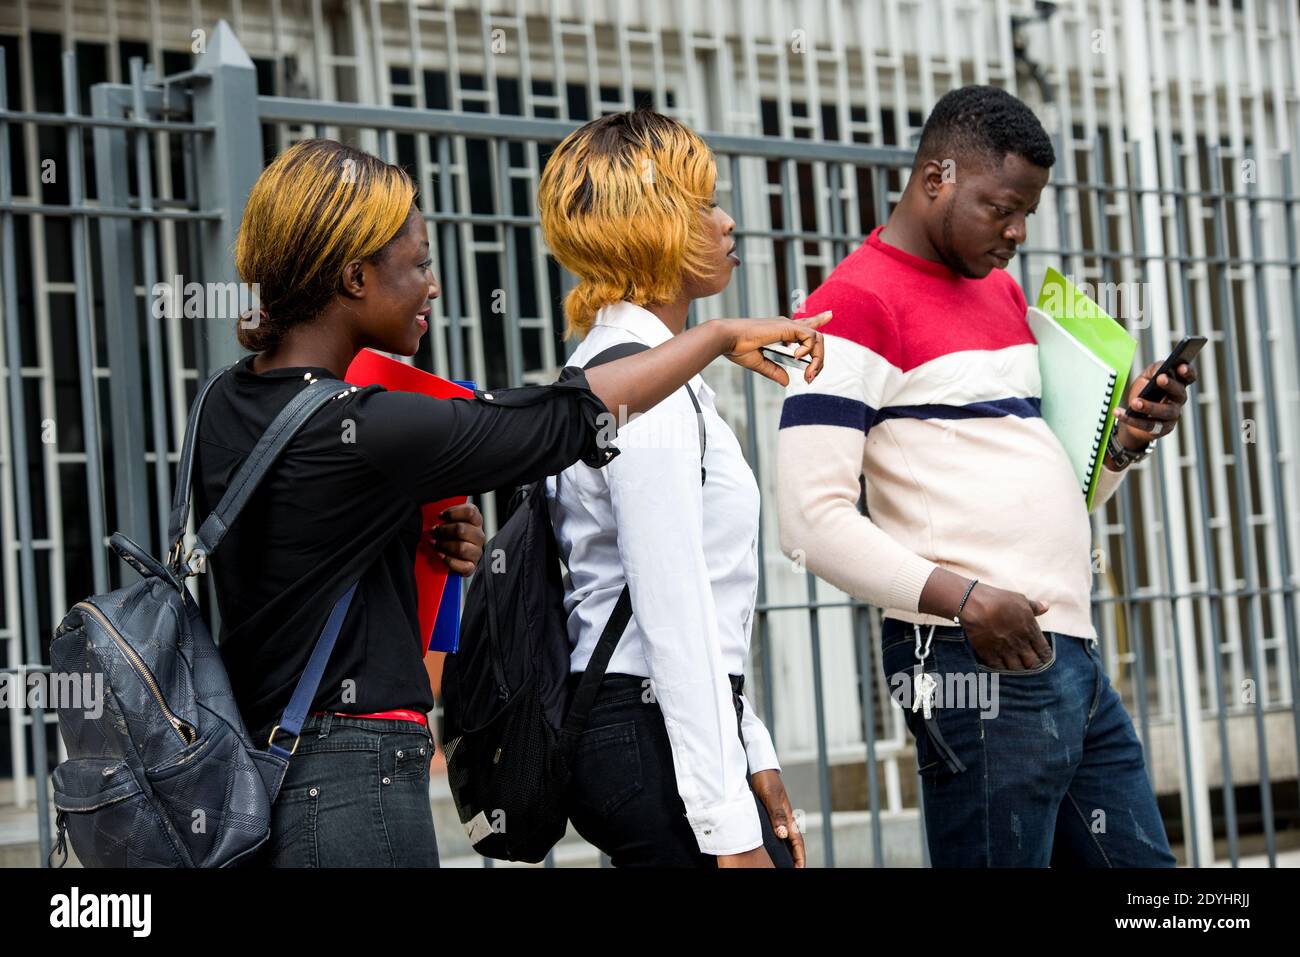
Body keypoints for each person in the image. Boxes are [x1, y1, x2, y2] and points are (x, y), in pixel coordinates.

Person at [190, 137, 827, 867]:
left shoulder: (226, 400)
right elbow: (554, 421)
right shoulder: (363, 424)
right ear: (356, 276)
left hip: (267, 761)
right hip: (349, 783)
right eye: (420, 263)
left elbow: (291, 562)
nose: (432, 286)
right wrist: (715, 336)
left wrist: (411, 538)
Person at [776, 85, 1195, 867]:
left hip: (1062, 645)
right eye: (1001, 207)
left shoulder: (998, 291)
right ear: (936, 177)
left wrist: (1125, 442)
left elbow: (1047, 485)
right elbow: (808, 521)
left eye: (1028, 211)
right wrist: (969, 601)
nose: (1017, 232)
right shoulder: (851, 305)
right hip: (974, 657)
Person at [539, 109, 813, 868]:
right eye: (703, 204)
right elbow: (671, 601)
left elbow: (701, 607)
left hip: (657, 723)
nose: (728, 223)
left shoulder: (646, 371)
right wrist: (730, 830)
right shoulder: (640, 386)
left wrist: (750, 745)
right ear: (651, 224)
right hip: (644, 725)